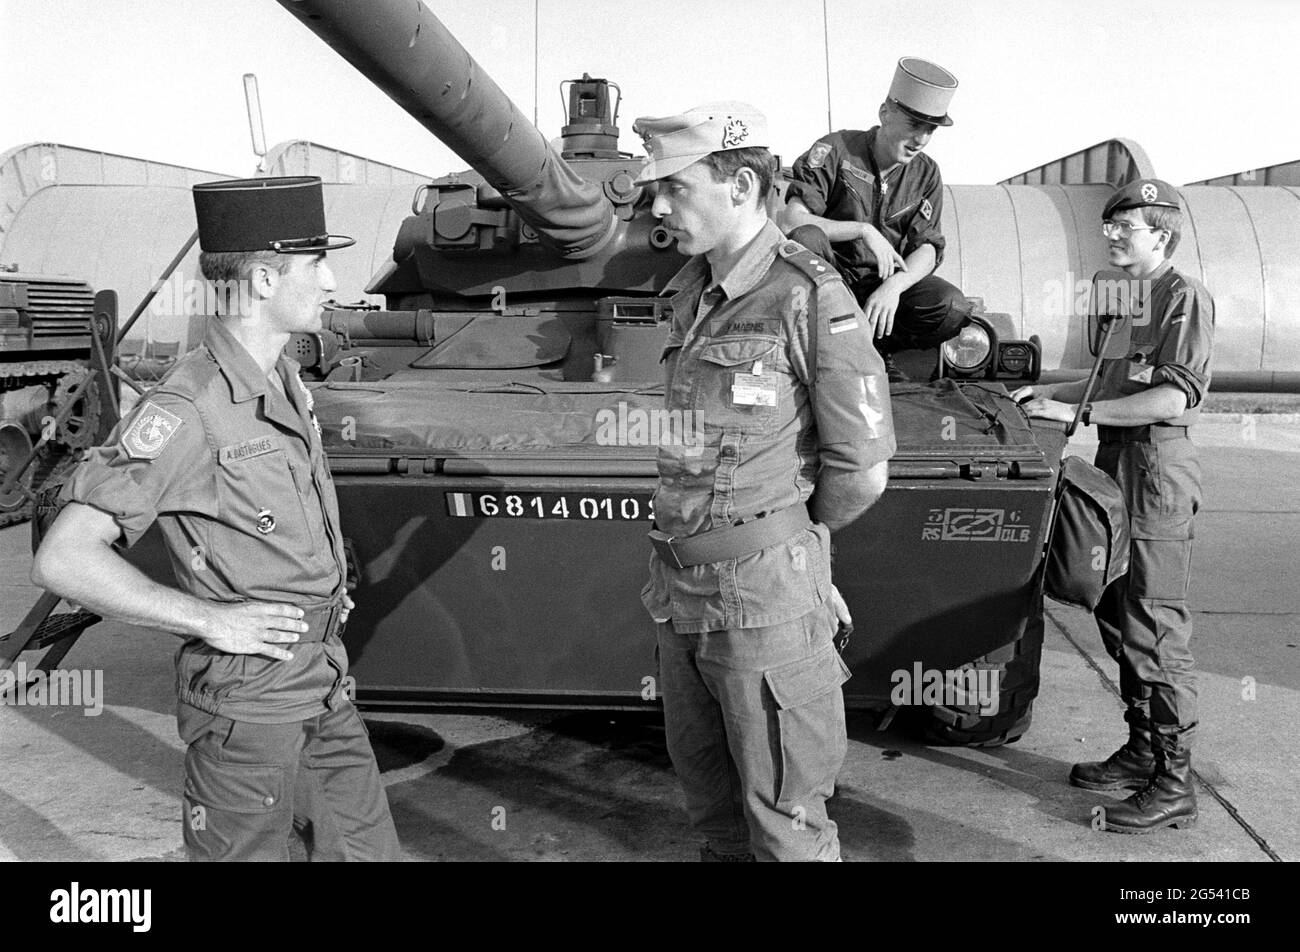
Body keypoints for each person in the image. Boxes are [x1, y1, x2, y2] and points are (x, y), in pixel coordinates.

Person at [31, 176, 401, 861]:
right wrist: (209, 619)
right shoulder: (187, 408)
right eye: (316, 262)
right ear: (263, 277)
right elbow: (64, 557)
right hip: (247, 714)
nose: (332, 280)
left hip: (320, 684)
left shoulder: (284, 377)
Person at [633, 102, 894, 861]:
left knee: (787, 830)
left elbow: (864, 467)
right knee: (713, 821)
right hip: (681, 596)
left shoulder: (806, 296)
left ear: (741, 185)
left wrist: (797, 552)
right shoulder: (692, 292)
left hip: (762, 605)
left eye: (675, 188)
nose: (658, 207)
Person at [1014, 178, 1213, 833]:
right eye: (1110, 225)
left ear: (1160, 231)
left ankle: (1175, 781)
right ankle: (1141, 749)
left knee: (1155, 631)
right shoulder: (1122, 296)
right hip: (1114, 473)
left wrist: (1078, 410)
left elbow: (1174, 398)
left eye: (1125, 225)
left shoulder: (1184, 298)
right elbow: (1103, 380)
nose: (1111, 235)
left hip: (1156, 474)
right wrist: (1034, 391)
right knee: (1114, 613)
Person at [781, 57, 969, 381]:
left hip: (879, 288)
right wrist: (862, 230)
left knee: (951, 306)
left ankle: (878, 351)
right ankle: (822, 355)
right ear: (885, 114)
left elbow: (928, 247)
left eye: (930, 130)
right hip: (831, 280)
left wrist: (895, 286)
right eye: (913, 125)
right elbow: (791, 221)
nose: (921, 139)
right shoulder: (836, 149)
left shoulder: (926, 173)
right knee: (806, 239)